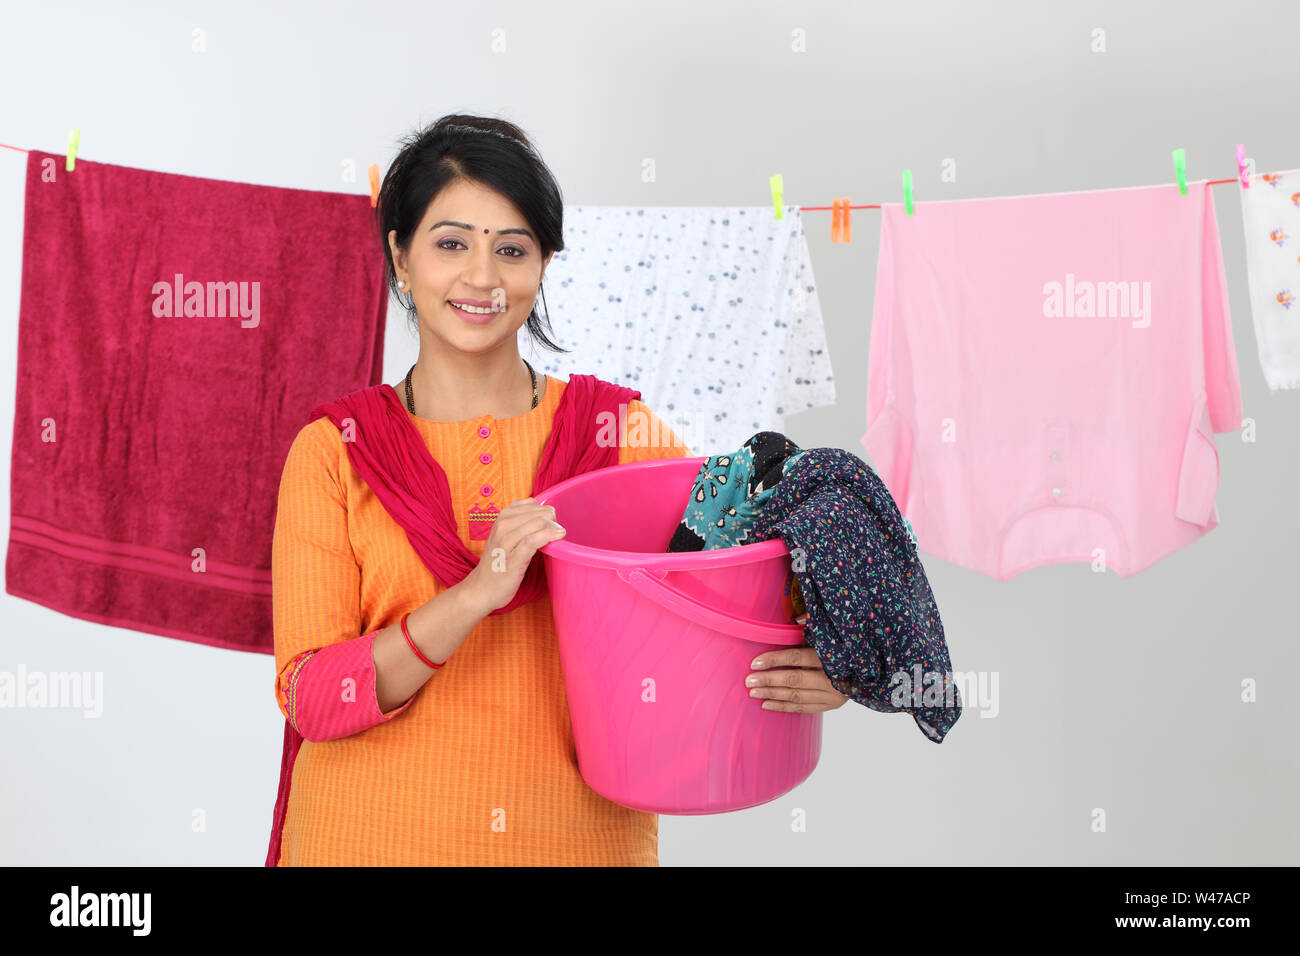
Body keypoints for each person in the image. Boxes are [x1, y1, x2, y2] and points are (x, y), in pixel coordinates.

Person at [266, 113, 695, 866]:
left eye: (512, 250)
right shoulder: (335, 454)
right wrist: (472, 595)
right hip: (364, 842)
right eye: (451, 243)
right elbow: (311, 696)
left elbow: (727, 605)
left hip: (575, 844)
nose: (483, 278)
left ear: (544, 264)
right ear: (401, 256)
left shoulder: (620, 436)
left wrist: (815, 667)